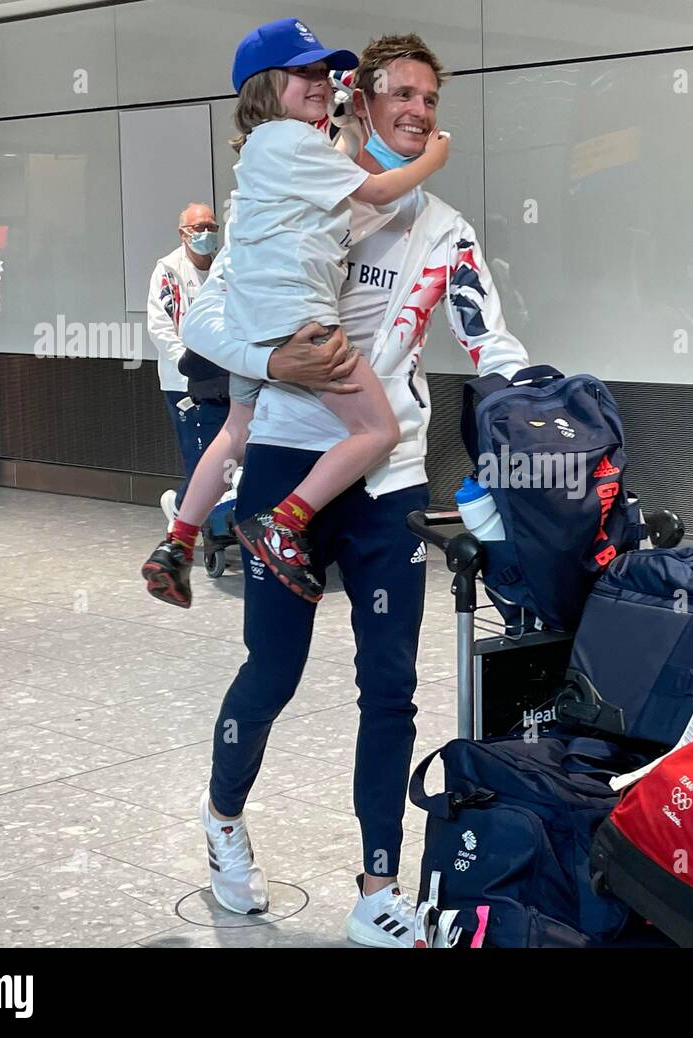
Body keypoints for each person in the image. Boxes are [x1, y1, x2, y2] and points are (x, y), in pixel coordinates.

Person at [181, 31, 530, 946]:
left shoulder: (445, 228)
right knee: (273, 669)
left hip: (390, 479)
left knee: (391, 688)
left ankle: (380, 886)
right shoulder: (296, 181)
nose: (418, 112)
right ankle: (222, 823)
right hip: (288, 462)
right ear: (359, 101)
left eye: (430, 100)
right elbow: (209, 319)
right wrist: (270, 356)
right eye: (401, 95)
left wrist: (543, 409)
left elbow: (492, 343)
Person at [141, 18, 448, 609]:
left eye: (323, 73)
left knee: (236, 429)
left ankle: (178, 540)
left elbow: (345, 156)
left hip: (261, 322)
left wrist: (350, 117)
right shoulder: (294, 145)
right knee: (379, 430)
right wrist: (434, 157)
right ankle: (285, 523)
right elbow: (375, 189)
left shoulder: (277, 154)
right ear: (263, 84)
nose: (319, 82)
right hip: (300, 320)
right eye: (302, 72)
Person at [146, 203, 224, 523]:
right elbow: (160, 325)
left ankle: (200, 514)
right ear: (183, 234)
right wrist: (188, 365)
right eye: (198, 228)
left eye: (211, 227)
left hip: (225, 381)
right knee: (198, 455)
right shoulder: (169, 270)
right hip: (184, 383)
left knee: (224, 459)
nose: (206, 234)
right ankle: (185, 511)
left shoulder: (226, 266)